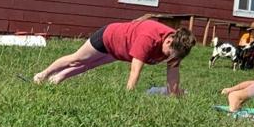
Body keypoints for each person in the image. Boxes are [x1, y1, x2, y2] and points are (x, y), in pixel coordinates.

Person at [33, 21, 195, 93]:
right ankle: (42, 75)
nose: (170, 58)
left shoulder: (177, 48)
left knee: (89, 65)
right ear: (168, 40)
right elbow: (135, 71)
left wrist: (174, 96)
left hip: (119, 51)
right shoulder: (149, 38)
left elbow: (173, 74)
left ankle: (57, 79)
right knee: (78, 59)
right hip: (108, 37)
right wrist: (128, 95)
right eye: (169, 53)